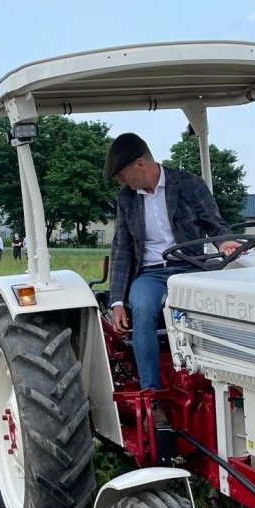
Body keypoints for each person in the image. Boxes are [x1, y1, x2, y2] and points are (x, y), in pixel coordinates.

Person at [104, 132, 237, 406]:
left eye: (121, 174)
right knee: (141, 309)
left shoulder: (187, 184)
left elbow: (215, 224)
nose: (120, 181)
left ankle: (221, 384)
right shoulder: (126, 199)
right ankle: (152, 396)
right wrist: (116, 300)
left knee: (219, 309)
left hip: (190, 268)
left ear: (139, 164)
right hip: (151, 274)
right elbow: (122, 248)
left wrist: (225, 242)